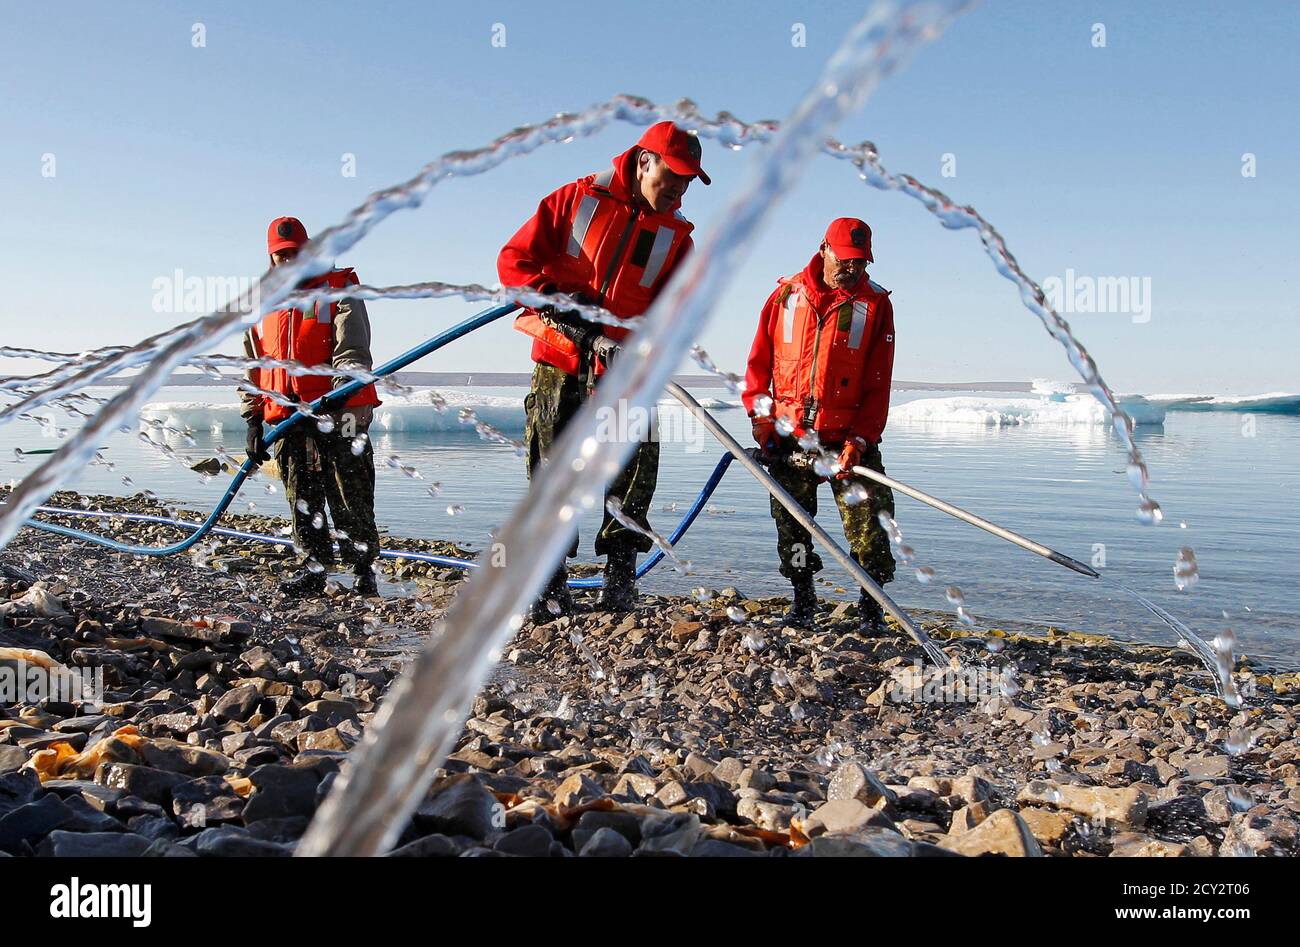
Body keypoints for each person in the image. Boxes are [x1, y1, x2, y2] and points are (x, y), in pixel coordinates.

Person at [498, 121, 708, 621]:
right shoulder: (576, 199)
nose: (678, 189)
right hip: (561, 358)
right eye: (672, 176)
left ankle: (619, 585)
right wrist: (557, 305)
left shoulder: (676, 238)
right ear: (643, 162)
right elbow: (514, 260)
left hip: (625, 370)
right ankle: (549, 586)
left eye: (687, 181)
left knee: (635, 468)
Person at [741, 217, 897, 634]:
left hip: (849, 440)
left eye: (861, 262)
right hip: (792, 439)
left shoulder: (876, 304)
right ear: (824, 249)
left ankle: (871, 609)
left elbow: (879, 382)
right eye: (846, 259)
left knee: (873, 523)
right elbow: (757, 367)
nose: (853, 269)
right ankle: (804, 602)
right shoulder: (784, 297)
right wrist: (762, 423)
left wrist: (861, 440)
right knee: (792, 526)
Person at [238, 216, 383, 598]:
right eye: (280, 256)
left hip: (341, 412)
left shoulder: (338, 289)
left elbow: (351, 348)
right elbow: (253, 364)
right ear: (270, 258)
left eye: (294, 254)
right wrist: (253, 419)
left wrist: (340, 394)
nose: (287, 262)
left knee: (350, 493)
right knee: (302, 494)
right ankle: (314, 568)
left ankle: (363, 571)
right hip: (287, 419)